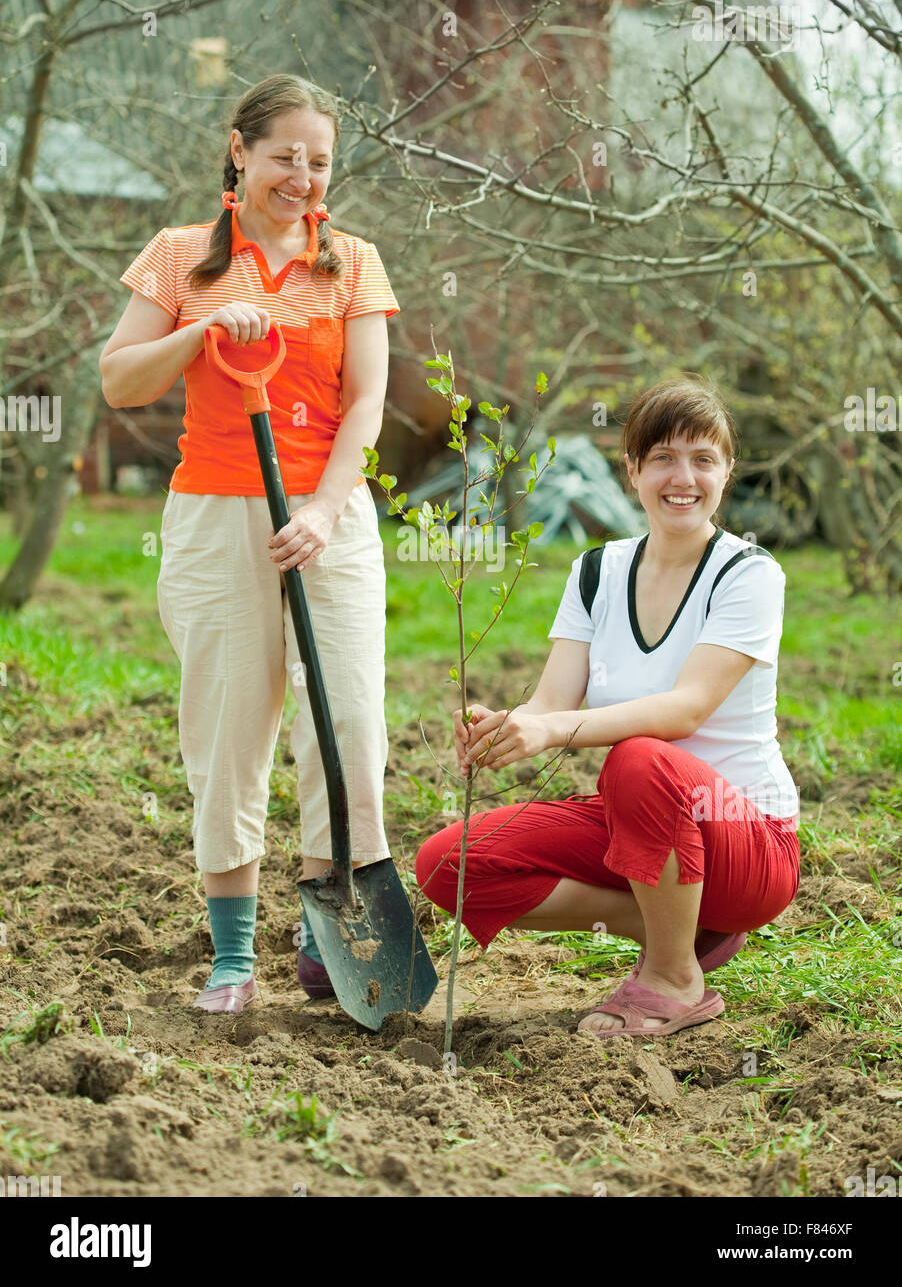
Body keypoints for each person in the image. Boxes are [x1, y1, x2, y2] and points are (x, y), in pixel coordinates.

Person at [100, 74, 400, 1013]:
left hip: (328, 518)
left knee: (347, 720)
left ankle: (331, 930)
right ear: (240, 150)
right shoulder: (180, 256)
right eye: (284, 157)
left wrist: (320, 510)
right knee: (230, 729)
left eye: (318, 161)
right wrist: (198, 336)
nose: (302, 177)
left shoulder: (350, 262)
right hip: (215, 517)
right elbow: (119, 382)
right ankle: (232, 957)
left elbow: (367, 403)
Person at [416, 378, 801, 1037]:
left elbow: (685, 710)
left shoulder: (749, 574)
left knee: (641, 759)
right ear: (632, 470)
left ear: (727, 471)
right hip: (642, 820)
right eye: (663, 458)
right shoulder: (597, 571)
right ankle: (683, 927)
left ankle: (675, 979)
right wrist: (505, 728)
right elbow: (550, 702)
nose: (684, 477)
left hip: (747, 842)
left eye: (703, 459)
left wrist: (555, 729)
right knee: (449, 866)